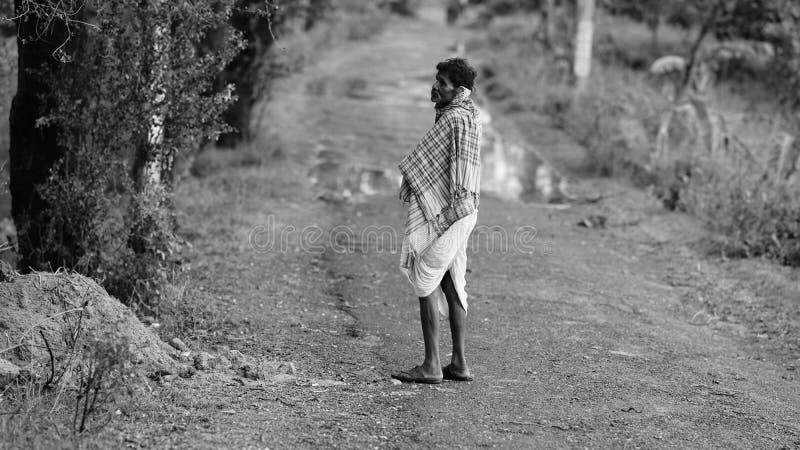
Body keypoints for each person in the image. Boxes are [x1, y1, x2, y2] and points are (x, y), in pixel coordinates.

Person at [393, 58, 482, 384]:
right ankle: (459, 363)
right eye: (436, 80)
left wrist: (411, 180)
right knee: (451, 280)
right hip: (466, 209)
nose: (435, 86)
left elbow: (422, 162)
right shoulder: (471, 116)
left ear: (458, 90)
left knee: (426, 276)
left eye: (442, 82)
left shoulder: (451, 120)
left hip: (449, 213)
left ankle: (432, 366)